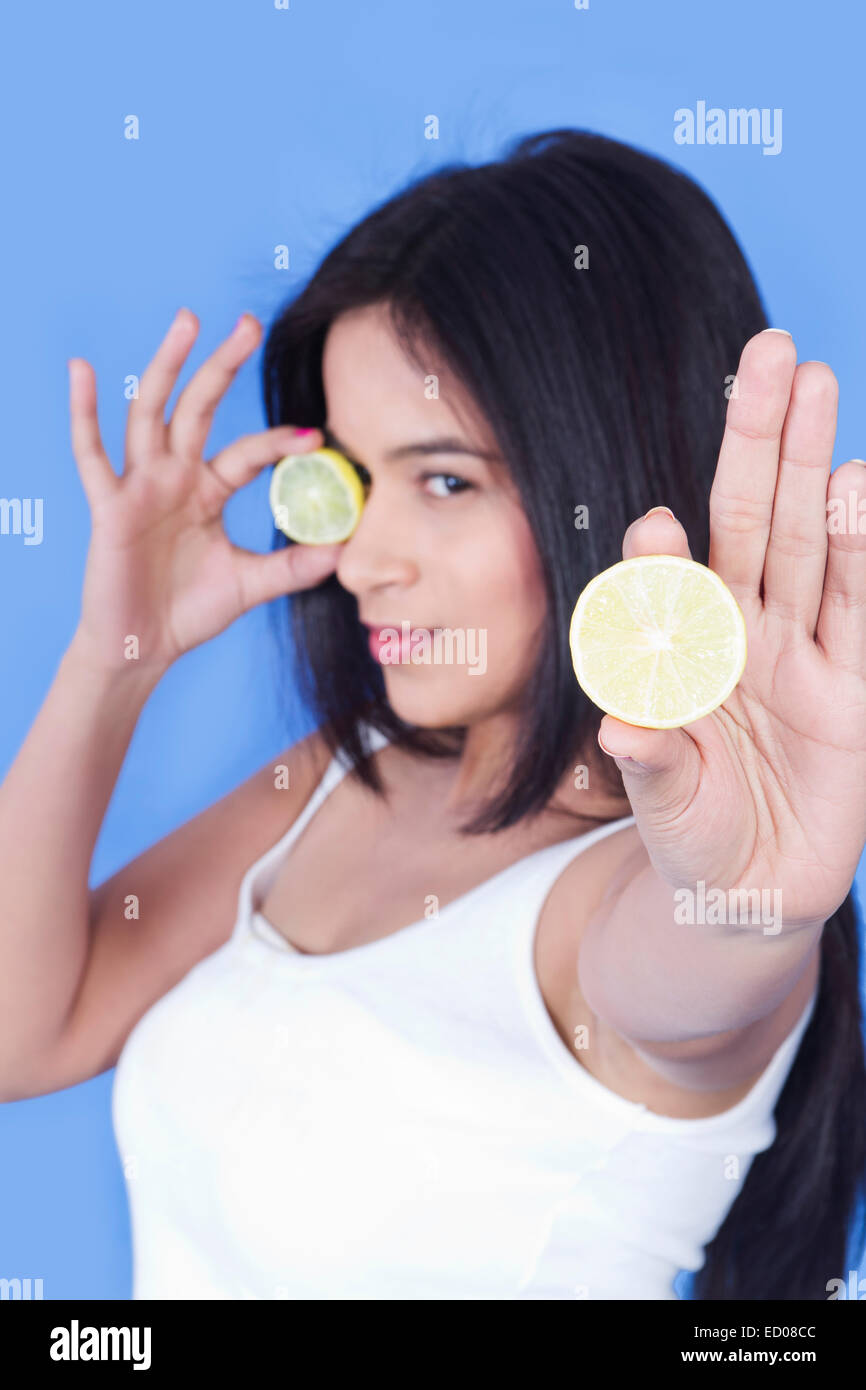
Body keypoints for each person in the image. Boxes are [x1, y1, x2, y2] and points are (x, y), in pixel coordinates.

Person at [1, 128, 864, 1300]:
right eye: (352, 480)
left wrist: (756, 909)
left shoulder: (628, 897)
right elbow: (21, 1029)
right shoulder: (346, 775)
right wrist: (113, 656)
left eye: (445, 479)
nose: (360, 561)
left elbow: (696, 968)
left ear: (605, 473)